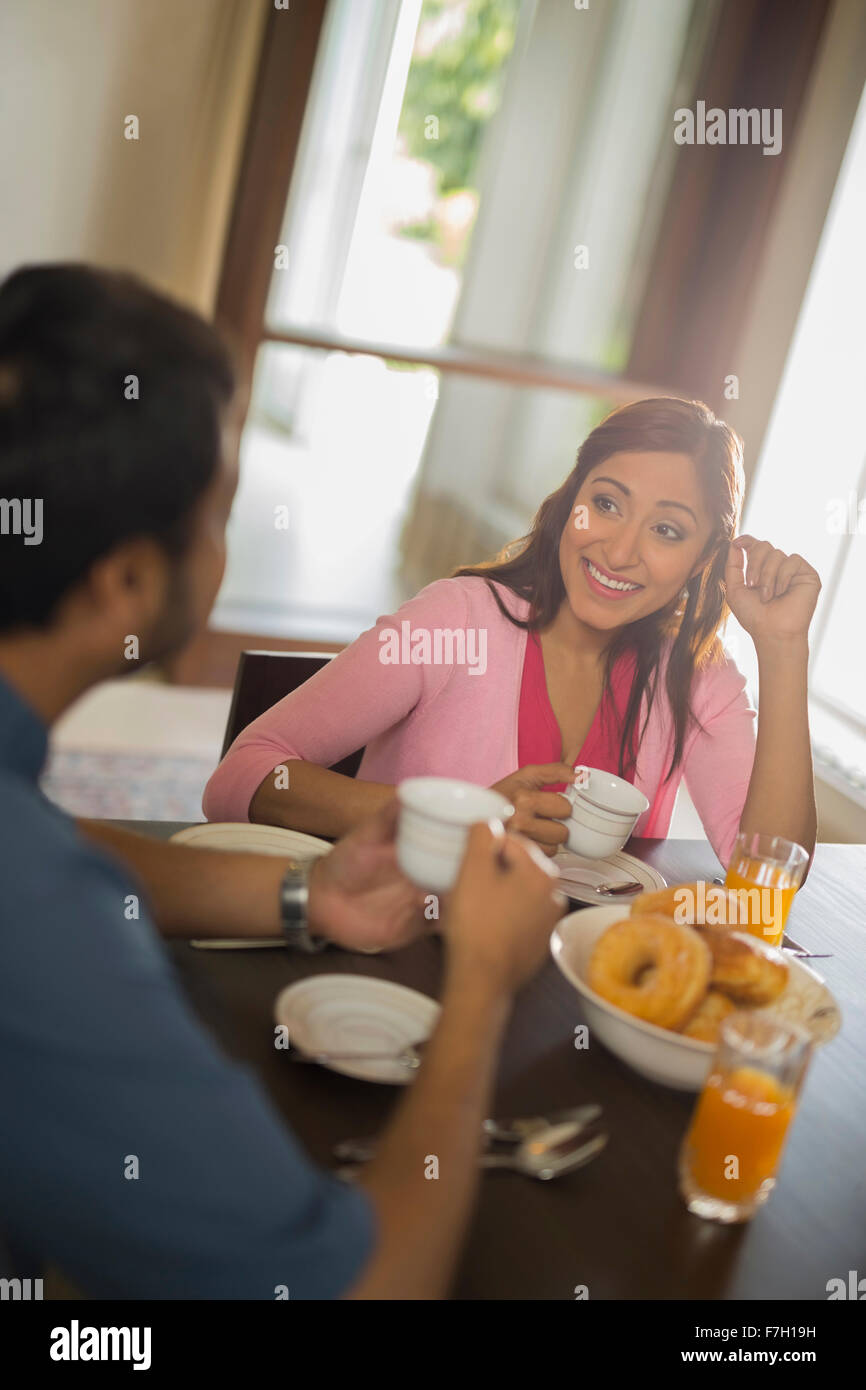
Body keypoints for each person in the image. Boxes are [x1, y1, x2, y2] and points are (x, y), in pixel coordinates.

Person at [0, 263, 564, 1299]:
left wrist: (303, 891)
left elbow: (43, 836)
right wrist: (481, 987)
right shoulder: (38, 927)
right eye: (222, 509)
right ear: (125, 579)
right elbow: (363, 1291)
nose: (230, 544)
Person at [204, 397, 821, 871]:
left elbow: (769, 873)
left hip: (574, 990)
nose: (620, 549)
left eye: (667, 531)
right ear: (570, 499)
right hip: (400, 952)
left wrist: (784, 648)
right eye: (606, 504)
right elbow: (243, 776)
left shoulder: (696, 675)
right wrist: (466, 818)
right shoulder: (456, 622)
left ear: (704, 557)